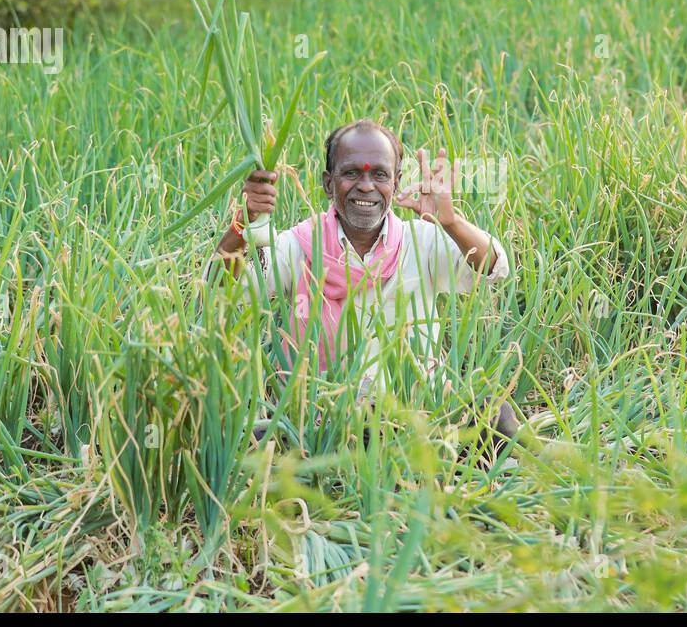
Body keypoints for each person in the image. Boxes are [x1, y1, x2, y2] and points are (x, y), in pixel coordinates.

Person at [211, 119, 519, 441]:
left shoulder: (421, 241)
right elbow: (220, 294)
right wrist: (241, 224)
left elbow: (495, 268)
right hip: (324, 426)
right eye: (352, 173)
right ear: (329, 184)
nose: (367, 186)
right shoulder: (301, 246)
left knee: (495, 415)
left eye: (380, 175)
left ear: (396, 184)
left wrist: (452, 222)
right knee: (247, 437)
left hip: (416, 417)